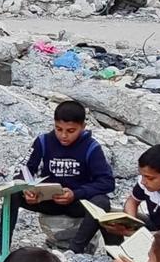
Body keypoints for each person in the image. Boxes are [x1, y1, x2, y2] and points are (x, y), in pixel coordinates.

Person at [7, 100, 117, 253]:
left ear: (83, 127)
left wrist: (76, 194)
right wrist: (27, 189)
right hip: (48, 199)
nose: (63, 135)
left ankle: (74, 250)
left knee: (102, 202)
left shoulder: (91, 147)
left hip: (77, 202)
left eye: (71, 131)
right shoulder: (43, 141)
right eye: (58, 129)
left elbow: (107, 182)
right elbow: (23, 170)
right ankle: (3, 248)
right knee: (12, 193)